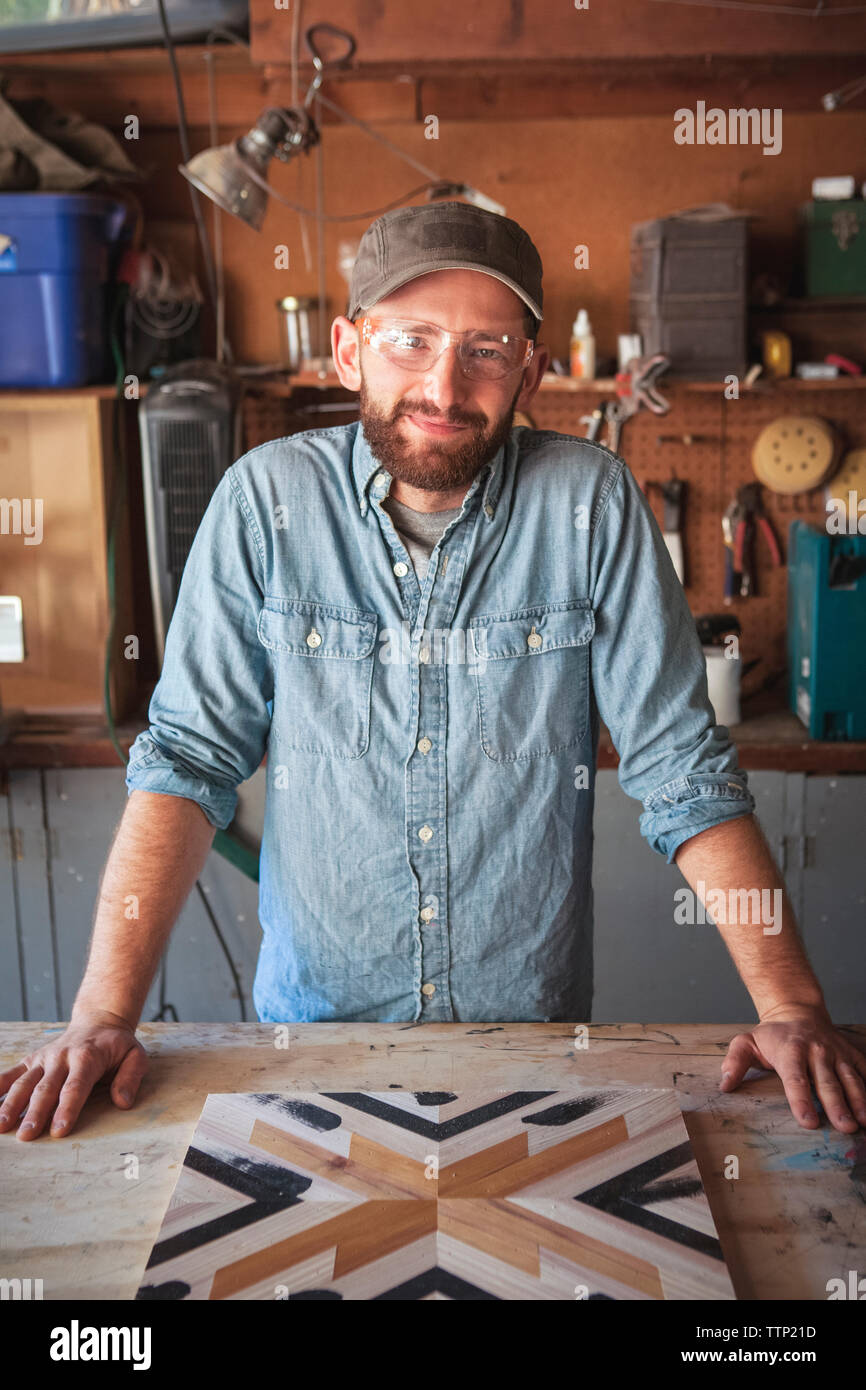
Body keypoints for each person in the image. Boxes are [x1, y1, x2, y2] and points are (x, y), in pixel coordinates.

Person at [2, 202, 863, 1143]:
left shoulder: (591, 504)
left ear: (530, 371)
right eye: (409, 340)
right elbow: (185, 763)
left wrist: (790, 1007)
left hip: (531, 1053)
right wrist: (103, 1015)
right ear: (347, 350)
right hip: (311, 1050)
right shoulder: (265, 502)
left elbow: (682, 771)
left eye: (487, 349)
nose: (444, 386)